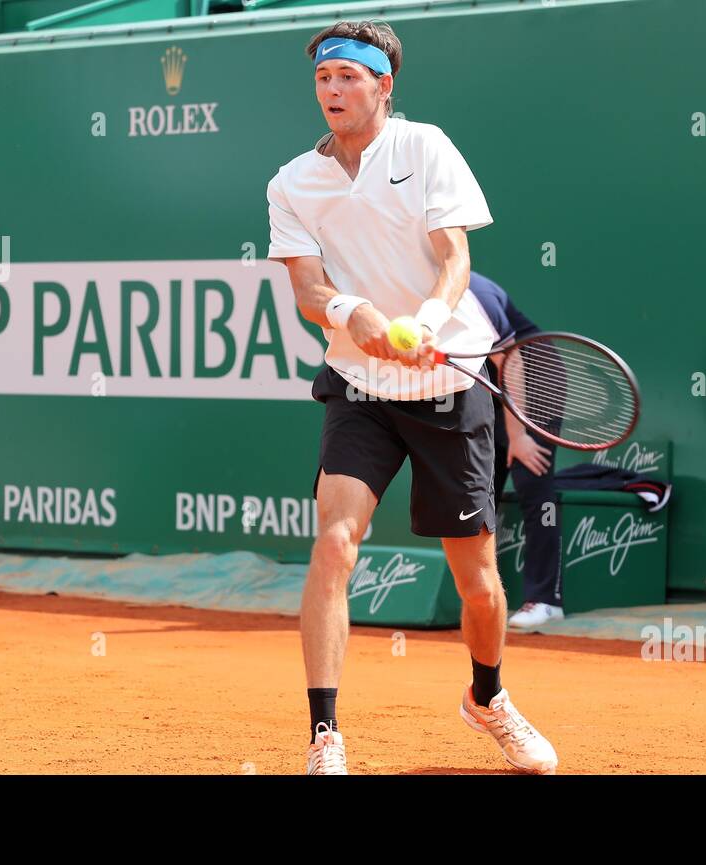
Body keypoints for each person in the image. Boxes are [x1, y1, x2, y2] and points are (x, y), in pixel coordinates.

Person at [266, 19, 557, 775]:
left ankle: (488, 696)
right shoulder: (293, 180)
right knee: (335, 543)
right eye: (324, 78)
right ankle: (324, 734)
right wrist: (348, 313)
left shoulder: (425, 148)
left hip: (447, 385)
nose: (332, 90)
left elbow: (454, 257)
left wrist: (426, 321)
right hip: (360, 388)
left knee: (480, 584)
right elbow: (306, 284)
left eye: (349, 78)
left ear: (383, 85)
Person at [465, 272, 566, 629]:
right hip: (485, 385)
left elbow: (512, 362)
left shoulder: (475, 294)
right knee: (477, 491)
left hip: (534, 376)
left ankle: (546, 600)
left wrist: (519, 435)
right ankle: (480, 597)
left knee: (533, 485)